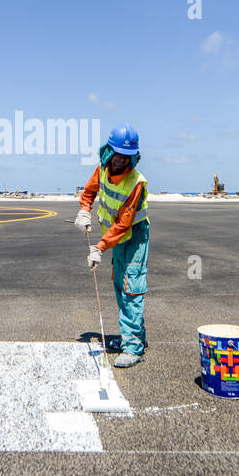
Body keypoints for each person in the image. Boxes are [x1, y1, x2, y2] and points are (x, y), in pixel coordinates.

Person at [74, 123, 149, 367]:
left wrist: (99, 248)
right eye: (117, 154)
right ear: (108, 150)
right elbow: (89, 192)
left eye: (126, 157)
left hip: (133, 236)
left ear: (133, 157)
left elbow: (124, 223)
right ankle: (132, 336)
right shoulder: (102, 169)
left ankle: (133, 347)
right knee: (119, 283)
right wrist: (84, 211)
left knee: (131, 287)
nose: (120, 160)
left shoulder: (135, 183)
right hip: (116, 237)